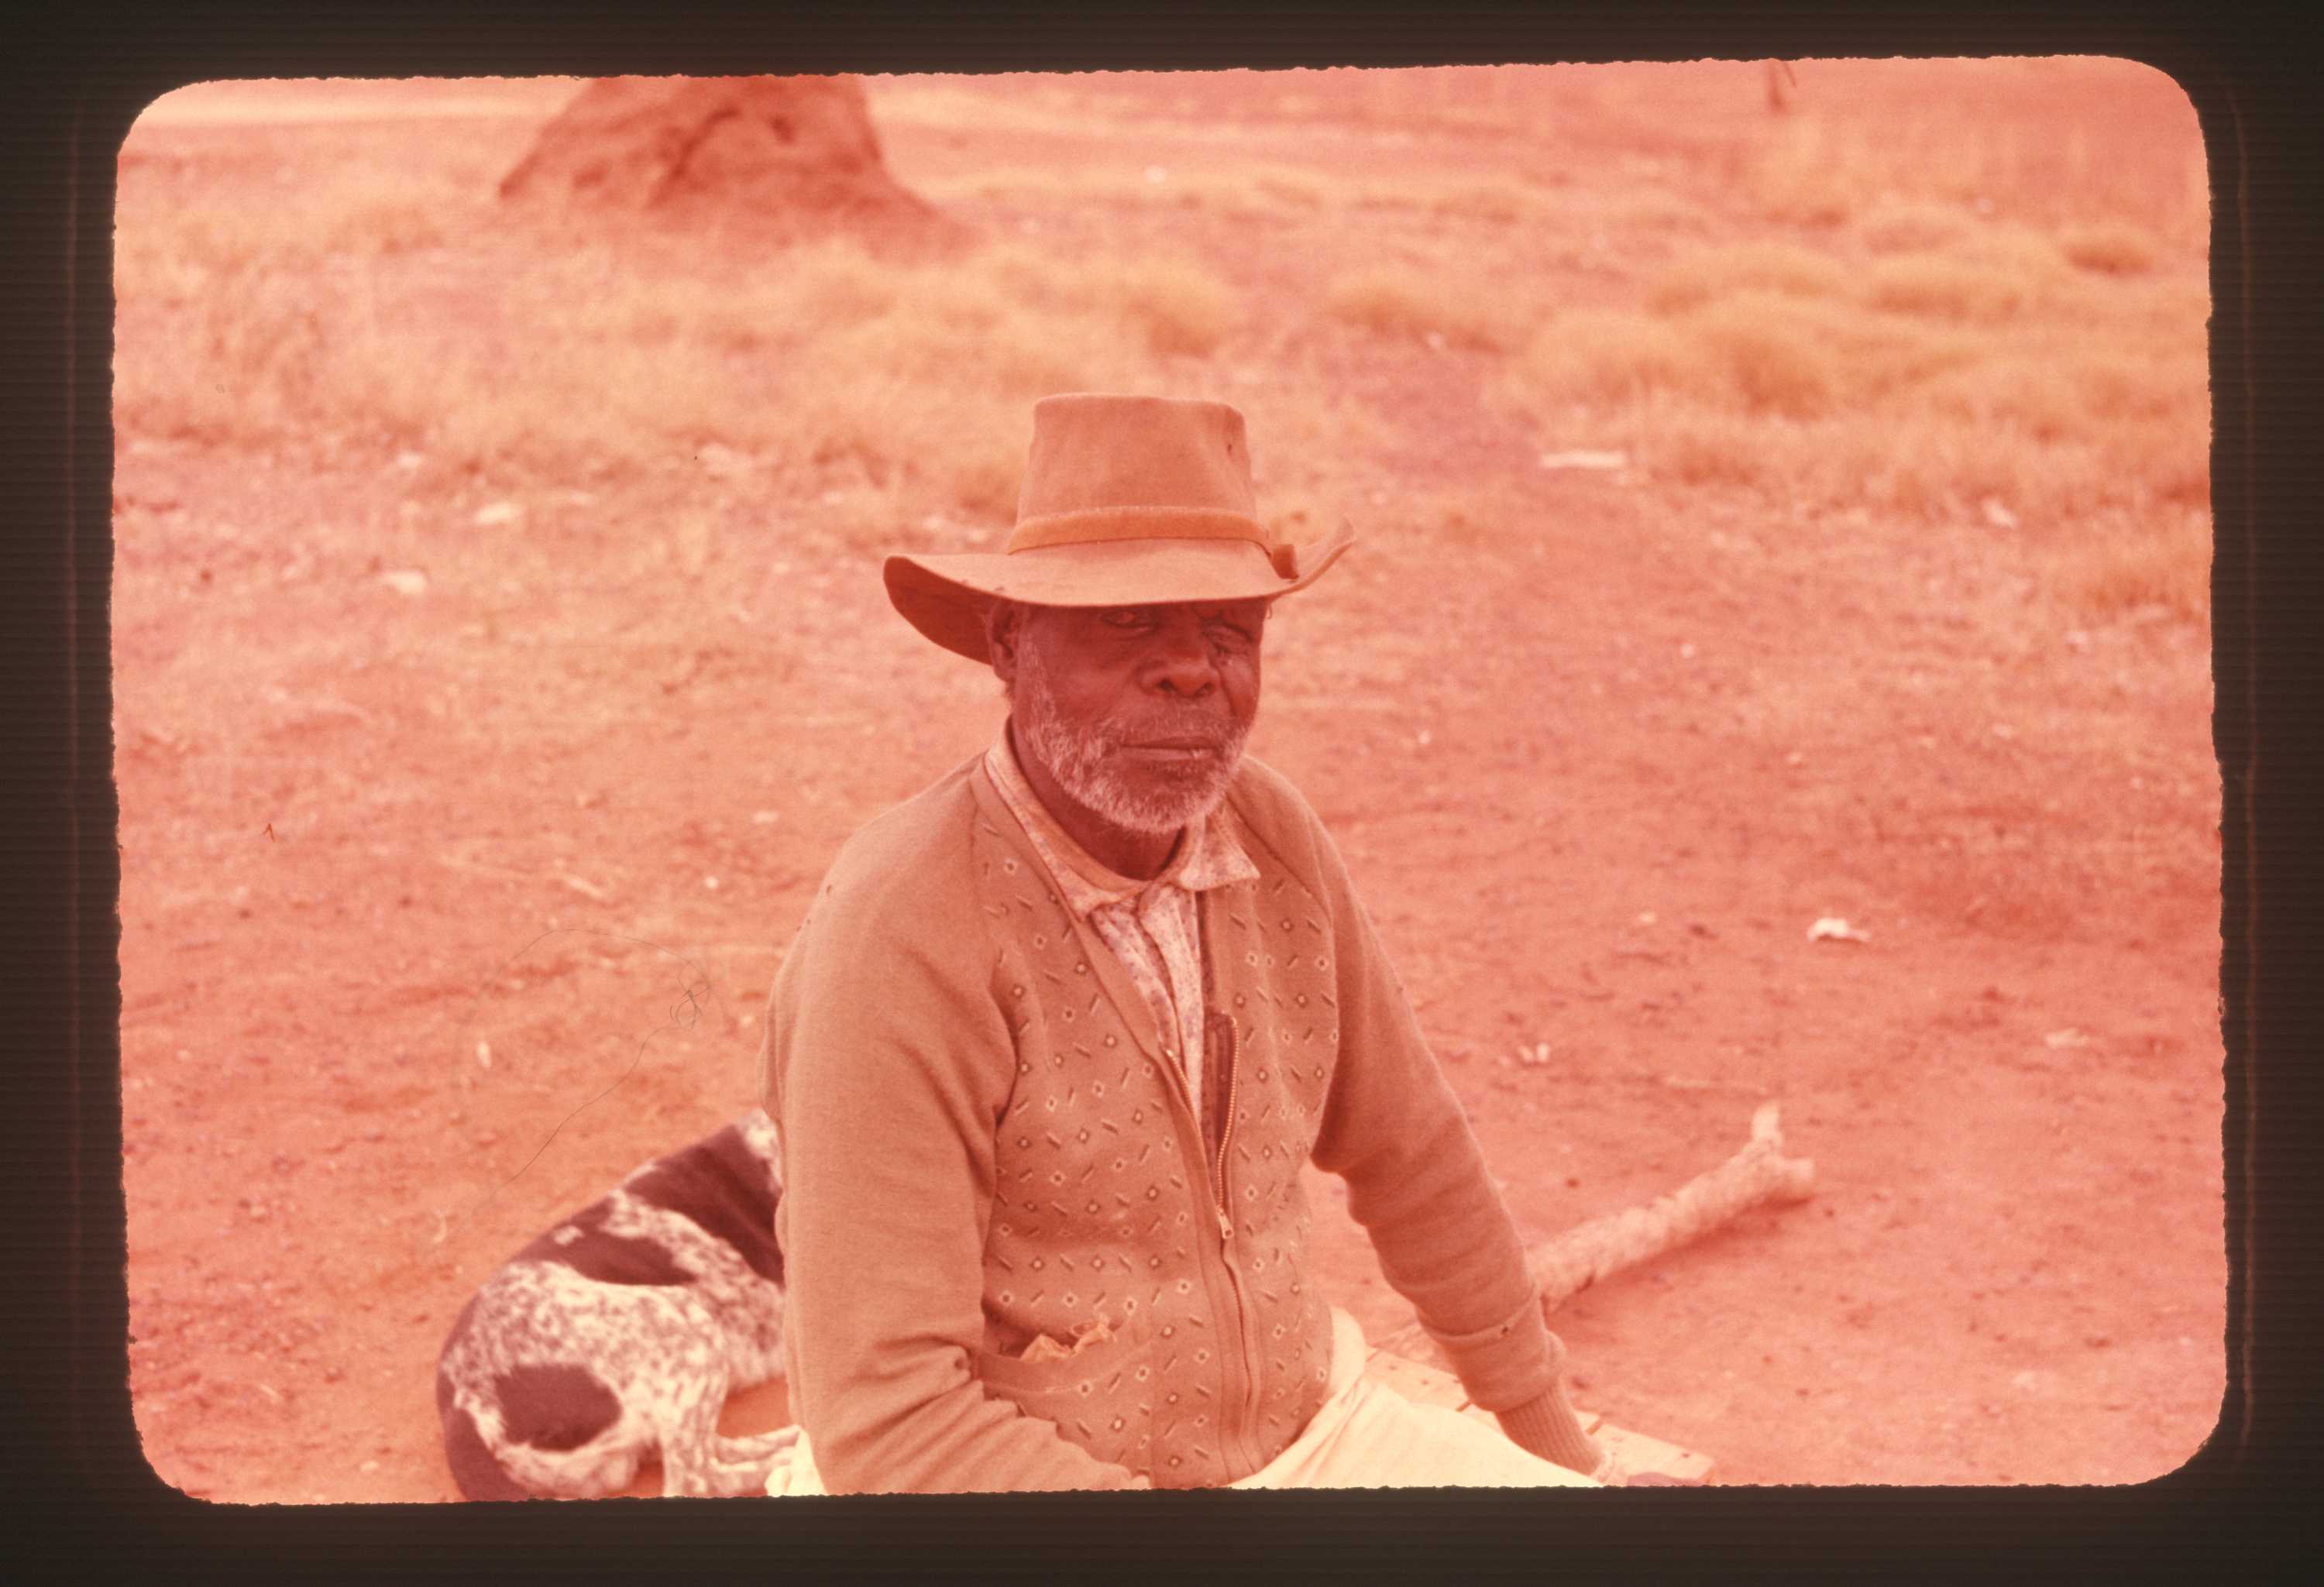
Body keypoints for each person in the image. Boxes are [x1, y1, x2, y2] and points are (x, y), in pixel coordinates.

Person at [758, 393, 1612, 1493]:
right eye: (1128, 623)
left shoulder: (1273, 837)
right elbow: (891, 1422)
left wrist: (1554, 1450)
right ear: (1010, 642)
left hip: (1302, 1443)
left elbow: (1419, 1158)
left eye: (1228, 629)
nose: (1190, 671)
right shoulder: (902, 927)